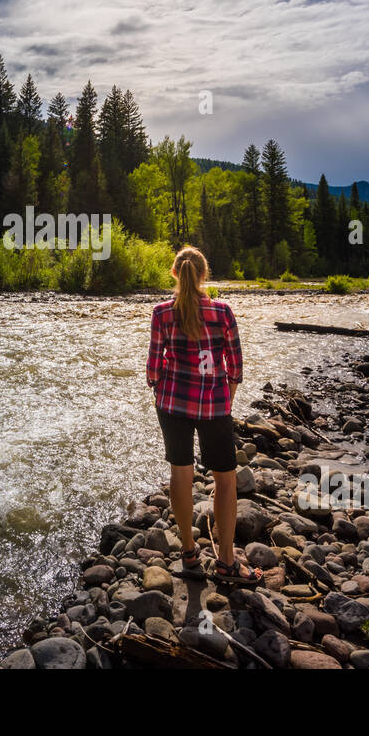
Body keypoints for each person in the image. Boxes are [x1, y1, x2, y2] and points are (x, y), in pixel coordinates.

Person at [145, 245, 258, 585]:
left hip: (172, 405)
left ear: (174, 274)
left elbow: (152, 369)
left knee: (181, 472)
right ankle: (226, 561)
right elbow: (235, 367)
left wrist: (162, 391)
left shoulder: (161, 312)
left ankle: (189, 552)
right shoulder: (223, 312)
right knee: (225, 479)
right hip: (215, 405)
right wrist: (224, 399)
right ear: (205, 275)